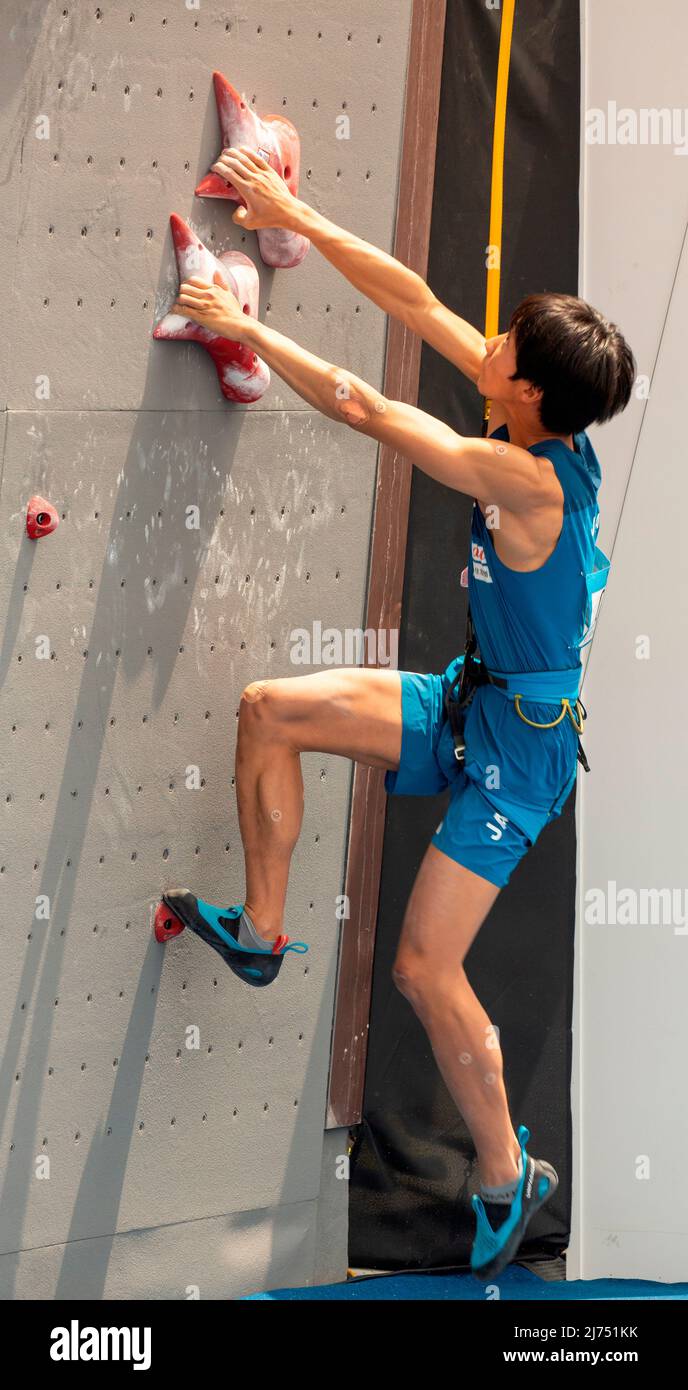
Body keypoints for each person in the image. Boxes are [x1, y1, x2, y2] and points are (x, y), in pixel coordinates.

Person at [164, 146, 636, 1280]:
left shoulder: (522, 477)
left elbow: (365, 405)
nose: (495, 341)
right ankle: (267, 931)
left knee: (426, 971)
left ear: (526, 391)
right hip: (474, 701)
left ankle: (503, 1173)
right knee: (270, 708)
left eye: (511, 343)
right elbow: (415, 298)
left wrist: (244, 326)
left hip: (517, 757)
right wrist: (296, 214)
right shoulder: (535, 423)